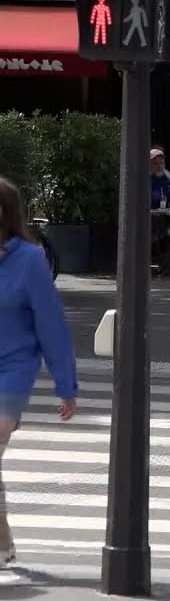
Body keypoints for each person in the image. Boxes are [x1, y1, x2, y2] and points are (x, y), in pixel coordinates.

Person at [0, 176, 76, 567]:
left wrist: (66, 385)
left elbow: (51, 324)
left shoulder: (29, 260)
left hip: (13, 367)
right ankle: (3, 540)